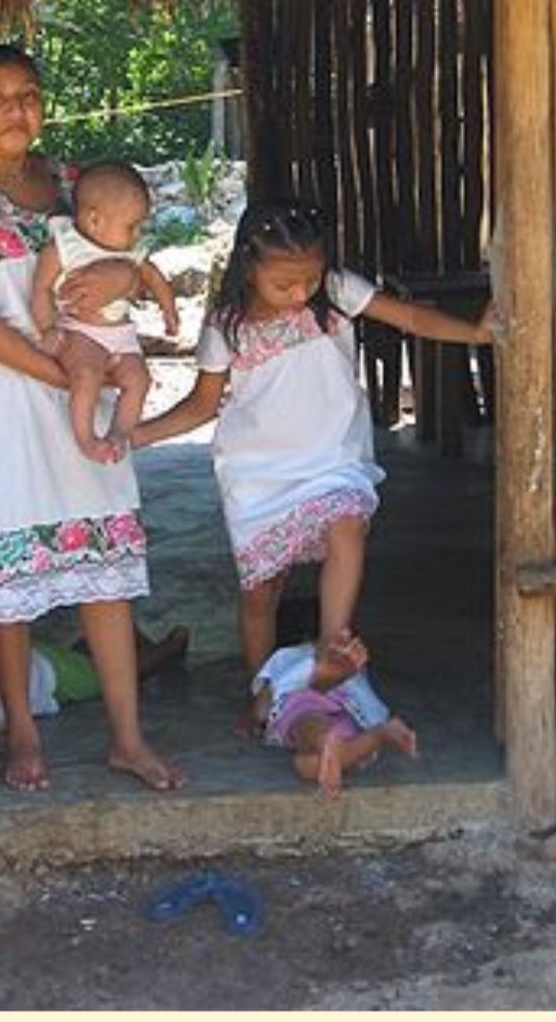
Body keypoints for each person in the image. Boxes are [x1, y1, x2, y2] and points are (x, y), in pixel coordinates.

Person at [0, 41, 183, 792]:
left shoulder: (72, 183)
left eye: (27, 93)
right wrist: (64, 373)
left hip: (82, 405)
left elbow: (127, 251)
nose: (15, 109)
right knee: (10, 578)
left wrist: (125, 278)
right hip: (2, 412)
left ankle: (128, 736)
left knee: (106, 576)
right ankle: (22, 736)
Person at [133, 198, 494, 722]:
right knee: (261, 594)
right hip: (256, 476)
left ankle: (332, 648)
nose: (299, 293)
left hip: (332, 459)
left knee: (346, 525)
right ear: (247, 265)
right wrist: (138, 435)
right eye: (284, 284)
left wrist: (476, 334)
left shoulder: (337, 292)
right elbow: (201, 406)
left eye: (309, 279)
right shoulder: (226, 326)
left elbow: (410, 316)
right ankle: (262, 695)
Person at [31, 160, 179, 464]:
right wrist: (47, 328)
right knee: (86, 376)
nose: (137, 234)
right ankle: (86, 438)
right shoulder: (65, 248)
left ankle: (121, 433)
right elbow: (41, 289)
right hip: (80, 331)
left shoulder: (129, 251)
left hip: (121, 334)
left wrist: (169, 310)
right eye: (131, 226)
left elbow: (153, 277)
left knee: (139, 380)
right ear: (94, 220)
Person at [0, 623, 190, 749]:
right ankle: (120, 635)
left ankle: (169, 649)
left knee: (113, 676)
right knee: (86, 660)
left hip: (50, 674)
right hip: (29, 658)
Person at [250, 630, 418, 800]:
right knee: (306, 763)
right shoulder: (347, 660)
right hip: (348, 705)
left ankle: (338, 736)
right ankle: (376, 734)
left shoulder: (283, 657)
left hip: (301, 696)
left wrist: (255, 716)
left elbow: (263, 704)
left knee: (303, 721)